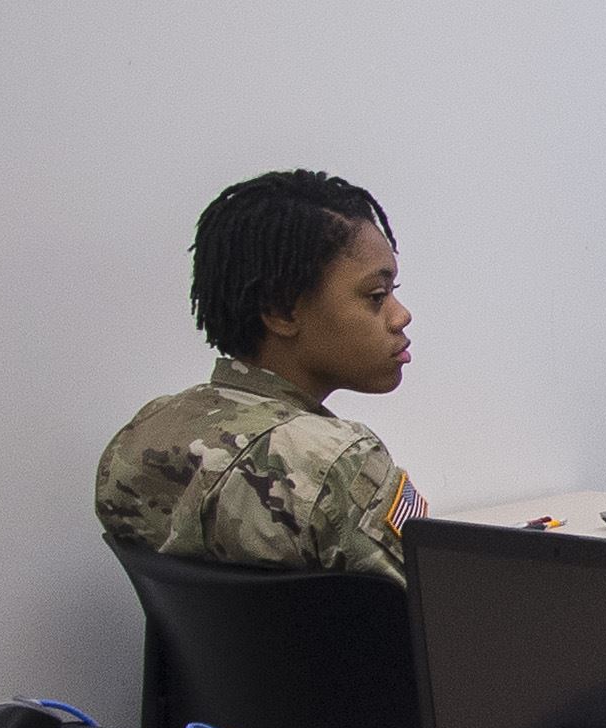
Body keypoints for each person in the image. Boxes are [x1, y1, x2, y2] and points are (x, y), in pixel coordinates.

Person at [92, 169, 425, 580]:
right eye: (377, 295)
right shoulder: (339, 464)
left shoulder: (141, 438)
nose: (401, 315)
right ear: (283, 312)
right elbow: (451, 607)